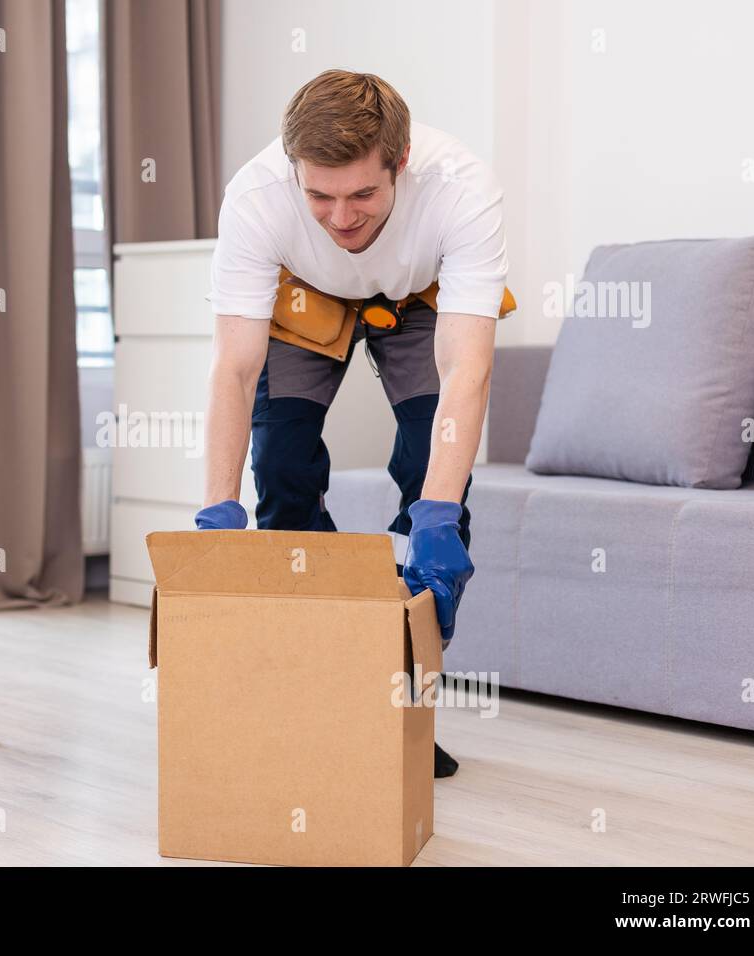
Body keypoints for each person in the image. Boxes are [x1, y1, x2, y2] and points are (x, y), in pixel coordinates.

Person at [196, 70, 511, 778]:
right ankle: (326, 699)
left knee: (437, 488)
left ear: (400, 163)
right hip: (304, 295)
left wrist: (436, 512)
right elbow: (235, 370)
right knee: (280, 473)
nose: (341, 217)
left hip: (418, 296)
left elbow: (467, 368)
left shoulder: (462, 189)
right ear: (293, 173)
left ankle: (398, 713)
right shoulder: (256, 199)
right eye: (320, 196)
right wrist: (217, 510)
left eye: (363, 194)